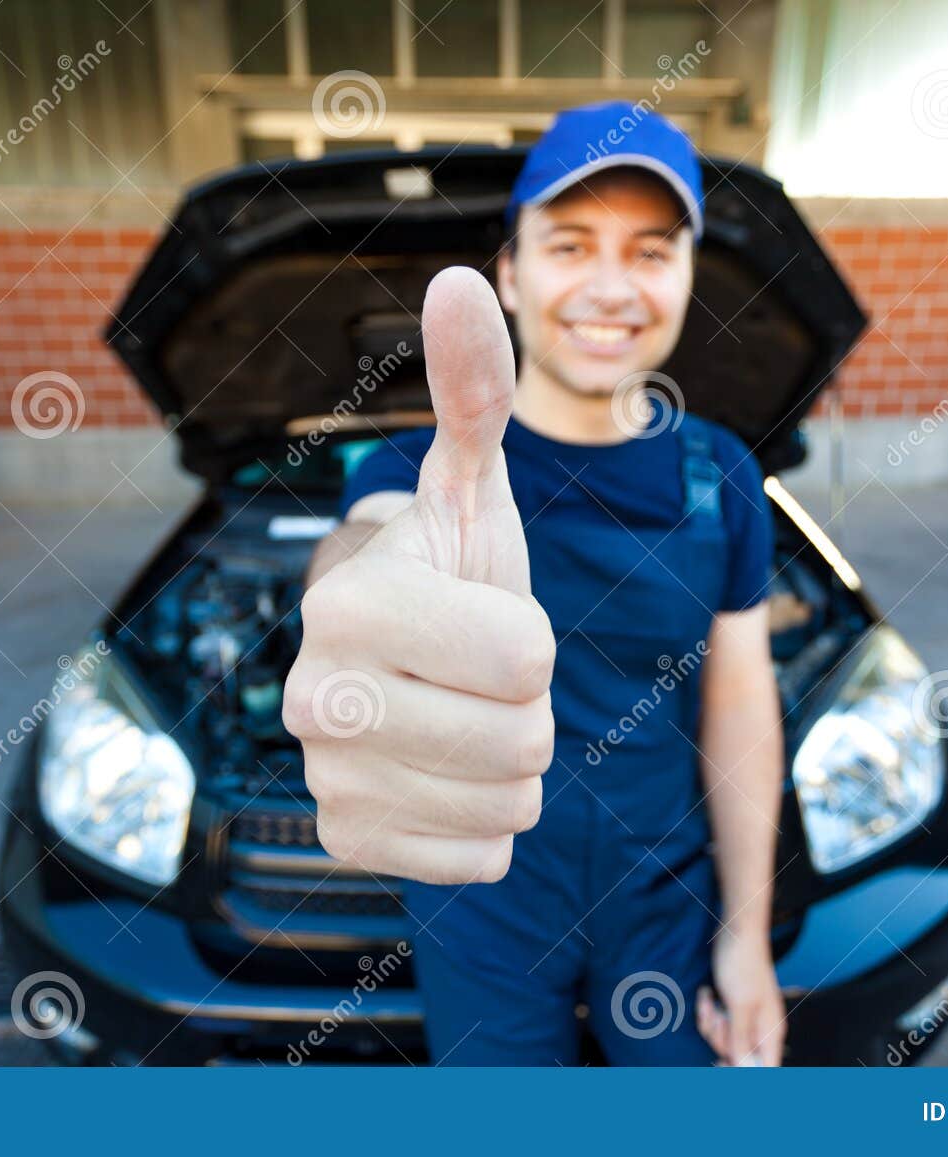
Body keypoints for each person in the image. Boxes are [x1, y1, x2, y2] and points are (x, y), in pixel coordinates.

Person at [282, 102, 785, 1066]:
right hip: (485, 893)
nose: (611, 286)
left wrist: (747, 934)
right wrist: (355, 611)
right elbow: (365, 550)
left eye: (649, 251)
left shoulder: (721, 475)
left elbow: (739, 701)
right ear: (510, 272)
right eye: (569, 244)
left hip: (664, 889)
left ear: (687, 275)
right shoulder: (430, 469)